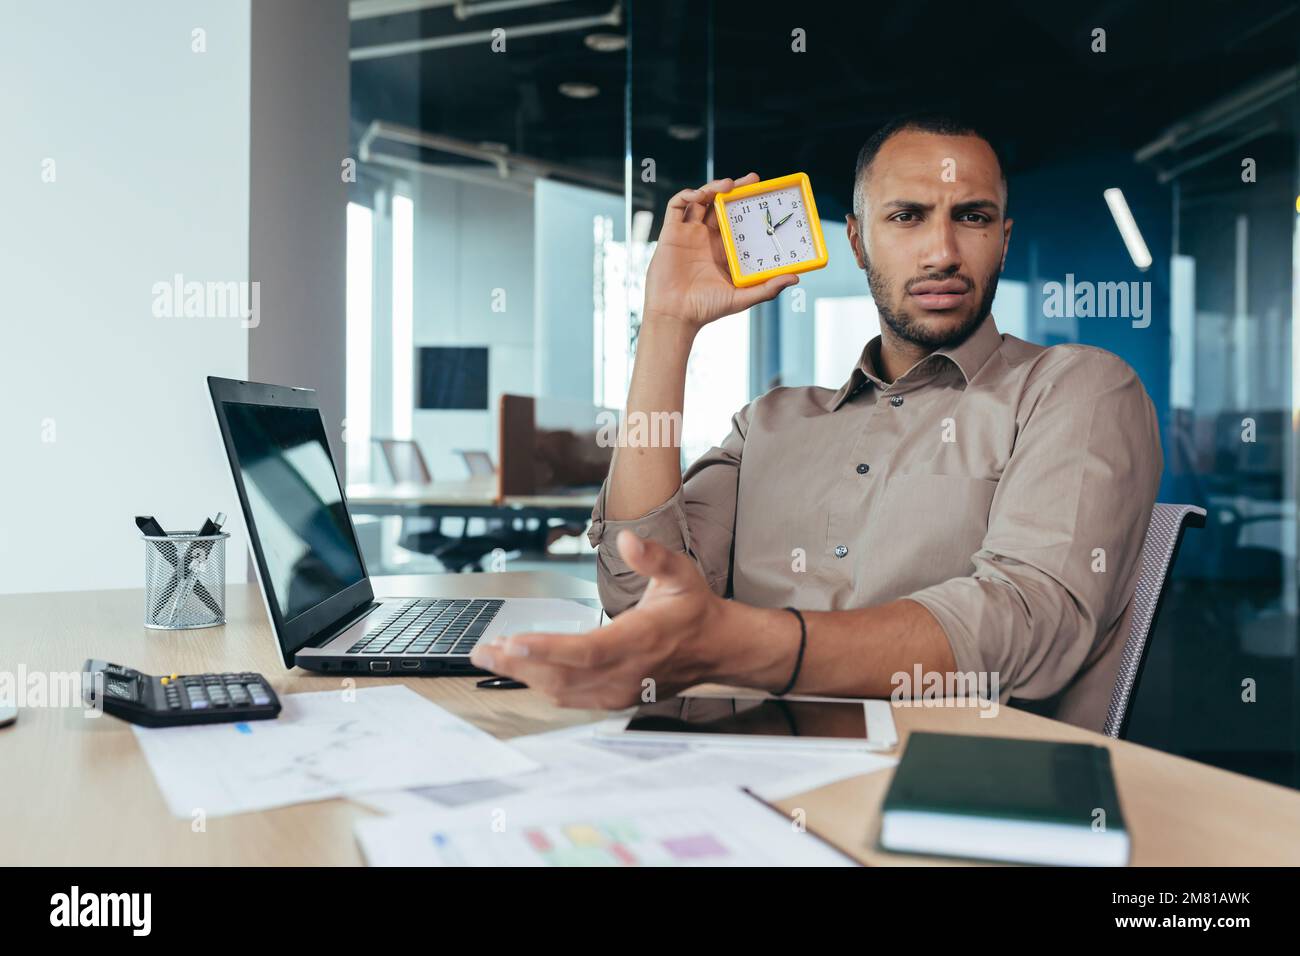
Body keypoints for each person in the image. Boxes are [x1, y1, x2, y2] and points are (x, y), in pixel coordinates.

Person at [471, 113, 1162, 731]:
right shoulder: (769, 422)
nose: (943, 252)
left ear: (1004, 240)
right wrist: (666, 325)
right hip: (702, 759)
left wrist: (746, 643)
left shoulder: (1078, 390)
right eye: (908, 216)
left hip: (922, 787)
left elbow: (1028, 623)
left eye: (973, 217)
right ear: (857, 242)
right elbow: (640, 598)